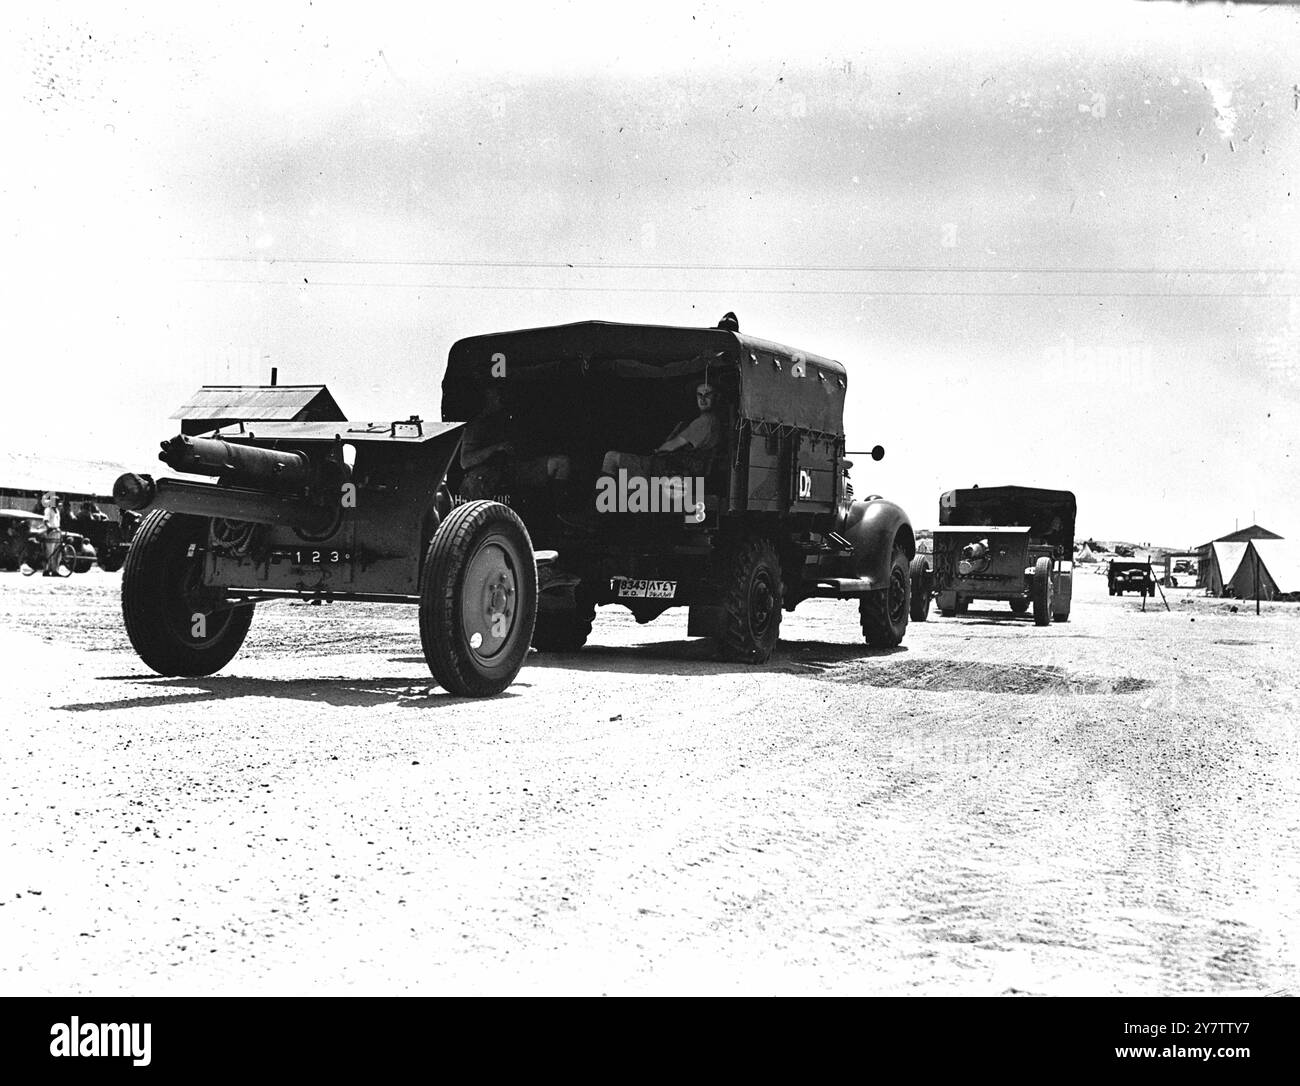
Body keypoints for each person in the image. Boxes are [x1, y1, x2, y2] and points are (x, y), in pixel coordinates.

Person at [459, 384, 572, 503]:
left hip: (514, 468)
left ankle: (557, 512)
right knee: (479, 484)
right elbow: (465, 461)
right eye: (496, 396)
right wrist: (496, 448)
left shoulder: (507, 416)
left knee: (561, 463)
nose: (500, 398)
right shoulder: (477, 425)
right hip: (488, 474)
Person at [601, 382, 722, 478]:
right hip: (680, 469)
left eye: (708, 394)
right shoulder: (713, 420)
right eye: (699, 395)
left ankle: (599, 505)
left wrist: (658, 451)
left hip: (672, 471)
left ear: (717, 397)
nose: (703, 399)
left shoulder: (704, 422)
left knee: (611, 457)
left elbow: (671, 446)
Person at [41, 492, 62, 576]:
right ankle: (46, 569)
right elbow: (46, 521)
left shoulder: (57, 511)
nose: (57, 504)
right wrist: (50, 527)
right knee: (50, 552)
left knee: (58, 552)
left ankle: (55, 570)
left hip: (57, 531)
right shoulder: (48, 510)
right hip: (51, 532)